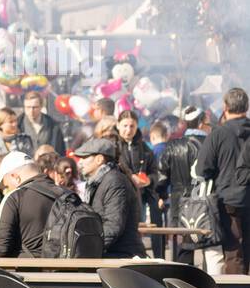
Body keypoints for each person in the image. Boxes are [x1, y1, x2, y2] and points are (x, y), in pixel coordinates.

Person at [196, 88, 250, 274]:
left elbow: (202, 169)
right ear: (247, 106)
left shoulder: (218, 134)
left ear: (225, 107)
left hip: (227, 201)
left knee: (233, 251)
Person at [76, 136, 146, 259]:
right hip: (109, 253)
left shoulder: (114, 181)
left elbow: (113, 226)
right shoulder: (99, 182)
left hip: (121, 256)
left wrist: (88, 248)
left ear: (99, 159)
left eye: (84, 157)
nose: (80, 162)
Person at [159, 107, 211, 265]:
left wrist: (161, 195)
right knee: (209, 249)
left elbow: (162, 176)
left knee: (182, 248)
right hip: (206, 201)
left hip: (178, 203)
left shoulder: (173, 145)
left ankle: (179, 284)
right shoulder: (211, 144)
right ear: (201, 123)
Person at [0, 151, 62, 257]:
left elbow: (0, 249)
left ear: (15, 176)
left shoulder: (15, 197)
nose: (6, 190)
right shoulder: (66, 194)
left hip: (28, 271)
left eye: (6, 186)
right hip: (65, 270)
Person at [116, 109, 160, 256]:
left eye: (132, 126)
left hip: (140, 197)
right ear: (118, 125)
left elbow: (154, 172)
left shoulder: (145, 148)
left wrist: (148, 180)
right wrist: (129, 177)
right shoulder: (113, 146)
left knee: (137, 232)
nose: (128, 130)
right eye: (125, 126)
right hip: (118, 196)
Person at [17, 91, 66, 155]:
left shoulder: (53, 126)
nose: (31, 111)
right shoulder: (18, 125)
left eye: (35, 107)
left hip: (47, 163)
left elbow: (60, 151)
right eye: (28, 107)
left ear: (41, 106)